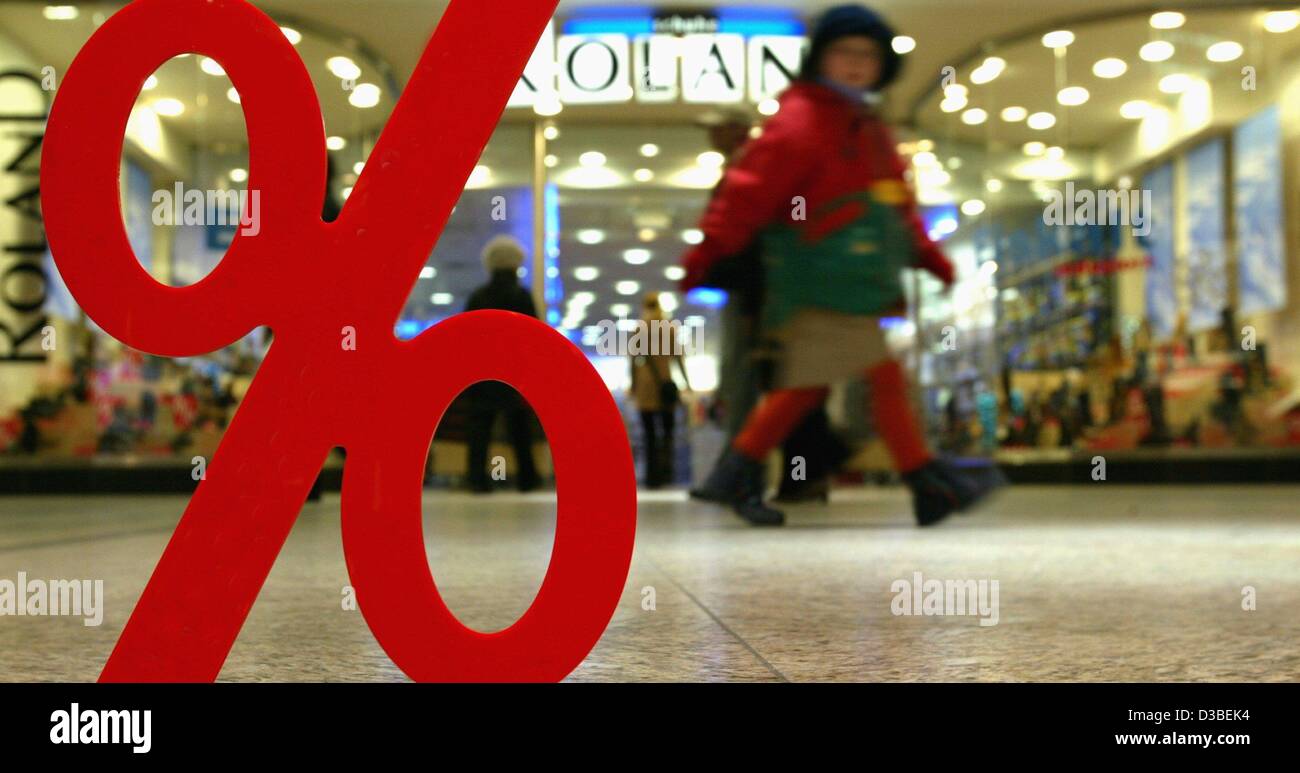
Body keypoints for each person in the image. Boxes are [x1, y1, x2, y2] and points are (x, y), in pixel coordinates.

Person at [682, 4, 1002, 527]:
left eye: (867, 54)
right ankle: (927, 483)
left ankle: (737, 471)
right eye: (843, 52)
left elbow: (896, 204)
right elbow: (749, 191)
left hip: (853, 281)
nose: (855, 63)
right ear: (821, 58)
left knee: (813, 384)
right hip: (815, 276)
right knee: (876, 376)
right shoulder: (803, 117)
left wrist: (928, 256)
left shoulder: (868, 127)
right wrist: (708, 252)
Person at [461, 236, 541, 493]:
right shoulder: (522, 297)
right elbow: (535, 338)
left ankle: (476, 479)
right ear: (517, 265)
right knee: (519, 430)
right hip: (515, 374)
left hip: (482, 374)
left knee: (480, 430)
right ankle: (527, 478)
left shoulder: (478, 297)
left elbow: (466, 338)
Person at [629, 293, 692, 488]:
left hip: (645, 385)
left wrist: (633, 385)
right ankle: (667, 474)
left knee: (648, 435)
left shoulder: (640, 328)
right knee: (667, 434)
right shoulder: (670, 328)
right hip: (665, 384)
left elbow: (632, 360)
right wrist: (687, 383)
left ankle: (651, 477)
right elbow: (678, 358)